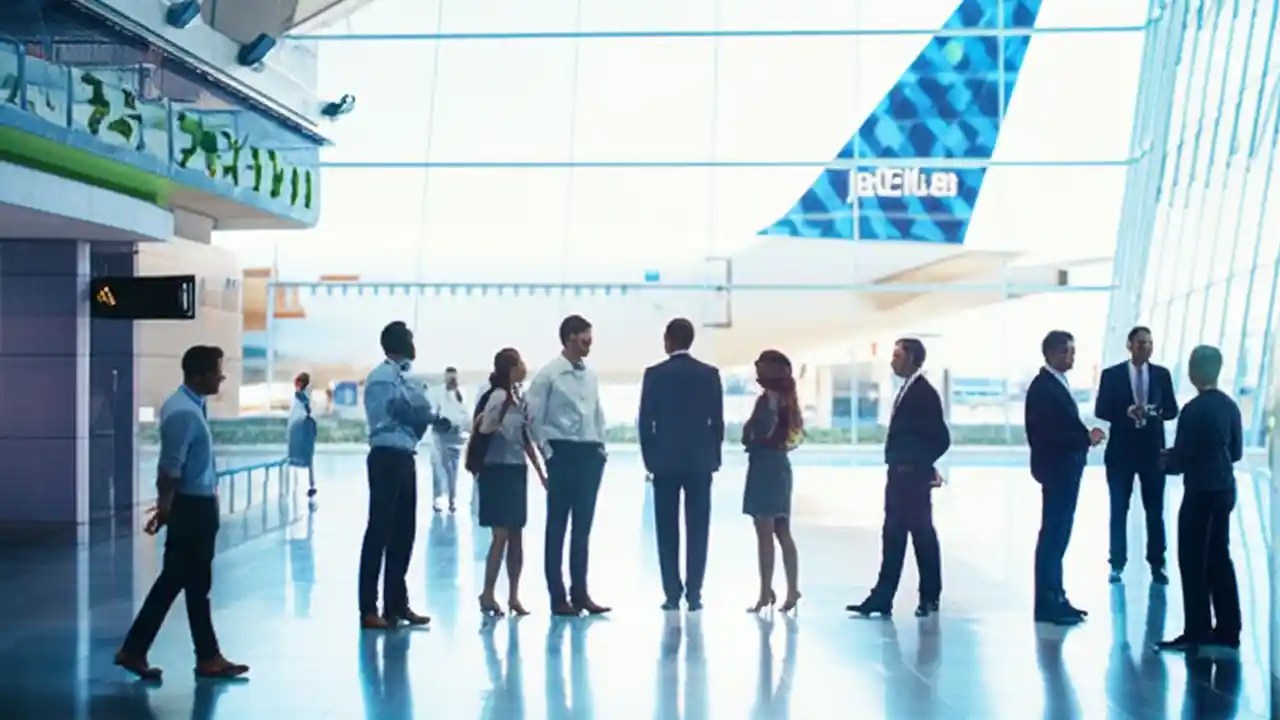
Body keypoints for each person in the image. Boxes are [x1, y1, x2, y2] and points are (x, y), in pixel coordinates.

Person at [114, 345, 248, 680]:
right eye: (217, 371)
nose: (222, 376)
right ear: (200, 375)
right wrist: (166, 507)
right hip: (192, 508)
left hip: (196, 504)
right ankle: (199, 656)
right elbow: (169, 468)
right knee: (186, 581)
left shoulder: (190, 406)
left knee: (183, 582)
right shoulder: (184, 413)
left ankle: (182, 653)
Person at [848, 338, 950, 619]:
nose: (892, 360)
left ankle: (929, 596)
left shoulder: (923, 393)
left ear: (912, 358)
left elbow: (941, 438)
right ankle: (882, 597)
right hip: (900, 476)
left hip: (910, 477)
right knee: (894, 535)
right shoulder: (908, 389)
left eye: (897, 355)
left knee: (921, 535)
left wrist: (919, 465)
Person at [1156, 345, 1243, 652]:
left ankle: (1197, 630)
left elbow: (1181, 460)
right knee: (1219, 556)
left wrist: (1160, 461)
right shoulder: (1230, 406)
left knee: (1192, 560)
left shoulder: (1192, 410)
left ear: (1193, 372)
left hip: (1200, 493)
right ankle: (1229, 630)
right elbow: (1237, 452)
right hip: (1224, 489)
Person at [638, 318, 725, 611]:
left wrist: (650, 458)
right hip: (700, 461)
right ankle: (695, 593)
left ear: (668, 340)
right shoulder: (709, 374)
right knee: (698, 527)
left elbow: (645, 421)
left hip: (664, 462)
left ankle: (672, 592)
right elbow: (718, 421)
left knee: (666, 528)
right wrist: (715, 454)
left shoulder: (654, 375)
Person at [527, 315, 611, 616]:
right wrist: (548, 452)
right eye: (585, 339)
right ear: (570, 338)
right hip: (562, 453)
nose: (589, 345)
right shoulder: (549, 375)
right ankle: (557, 596)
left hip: (589, 453)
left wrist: (601, 447)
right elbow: (532, 416)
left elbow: (596, 412)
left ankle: (581, 593)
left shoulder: (591, 375)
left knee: (583, 529)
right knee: (557, 527)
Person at [358, 321, 436, 630]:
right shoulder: (381, 378)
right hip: (386, 457)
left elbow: (422, 409)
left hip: (406, 455)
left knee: (404, 532)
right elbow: (403, 409)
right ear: (399, 342)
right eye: (410, 338)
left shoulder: (405, 375)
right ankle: (368, 608)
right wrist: (417, 409)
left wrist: (419, 410)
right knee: (379, 532)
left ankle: (396, 604)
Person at [1025, 330, 1105, 625]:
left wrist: (1083, 437)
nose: (1072, 357)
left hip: (1064, 468)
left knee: (1058, 534)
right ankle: (1048, 601)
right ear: (1054, 354)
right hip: (1058, 469)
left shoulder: (1054, 384)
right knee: (1054, 535)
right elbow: (1049, 432)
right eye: (1068, 351)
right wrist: (1085, 438)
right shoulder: (1044, 388)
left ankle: (1056, 595)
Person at [1094, 326, 1178, 584]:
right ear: (1129, 346)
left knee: (1155, 510)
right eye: (1141, 343)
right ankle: (1116, 563)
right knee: (1119, 509)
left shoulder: (1162, 375)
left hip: (1153, 453)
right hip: (1121, 453)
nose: (1146, 348)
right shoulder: (1112, 375)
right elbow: (1101, 409)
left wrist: (1154, 411)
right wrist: (1126, 411)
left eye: (1150, 343)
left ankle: (1157, 564)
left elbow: (1172, 410)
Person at [472, 348, 546, 617]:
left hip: (515, 470)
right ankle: (488, 592)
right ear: (511, 368)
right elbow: (484, 428)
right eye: (521, 363)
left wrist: (540, 471)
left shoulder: (517, 397)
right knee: (500, 534)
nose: (525, 367)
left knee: (516, 534)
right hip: (497, 471)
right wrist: (495, 419)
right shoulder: (498, 397)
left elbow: (525, 439)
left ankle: (513, 595)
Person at [742, 350, 803, 614]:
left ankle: (766, 591)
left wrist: (752, 437)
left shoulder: (770, 401)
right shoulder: (787, 401)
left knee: (765, 532)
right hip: (777, 466)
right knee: (781, 531)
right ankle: (789, 589)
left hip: (765, 466)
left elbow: (754, 435)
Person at [429, 366, 470, 513]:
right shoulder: (437, 393)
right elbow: (432, 413)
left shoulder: (462, 393)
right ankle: (438, 498)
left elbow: (465, 414)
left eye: (454, 377)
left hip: (457, 436)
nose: (452, 380)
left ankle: (452, 499)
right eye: (449, 377)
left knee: (454, 469)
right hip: (441, 435)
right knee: (440, 468)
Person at [287, 371, 319, 498]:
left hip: (300, 427)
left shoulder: (301, 396)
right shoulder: (304, 396)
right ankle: (310, 484)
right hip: (303, 427)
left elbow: (306, 409)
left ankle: (305, 485)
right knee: (308, 457)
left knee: (300, 455)